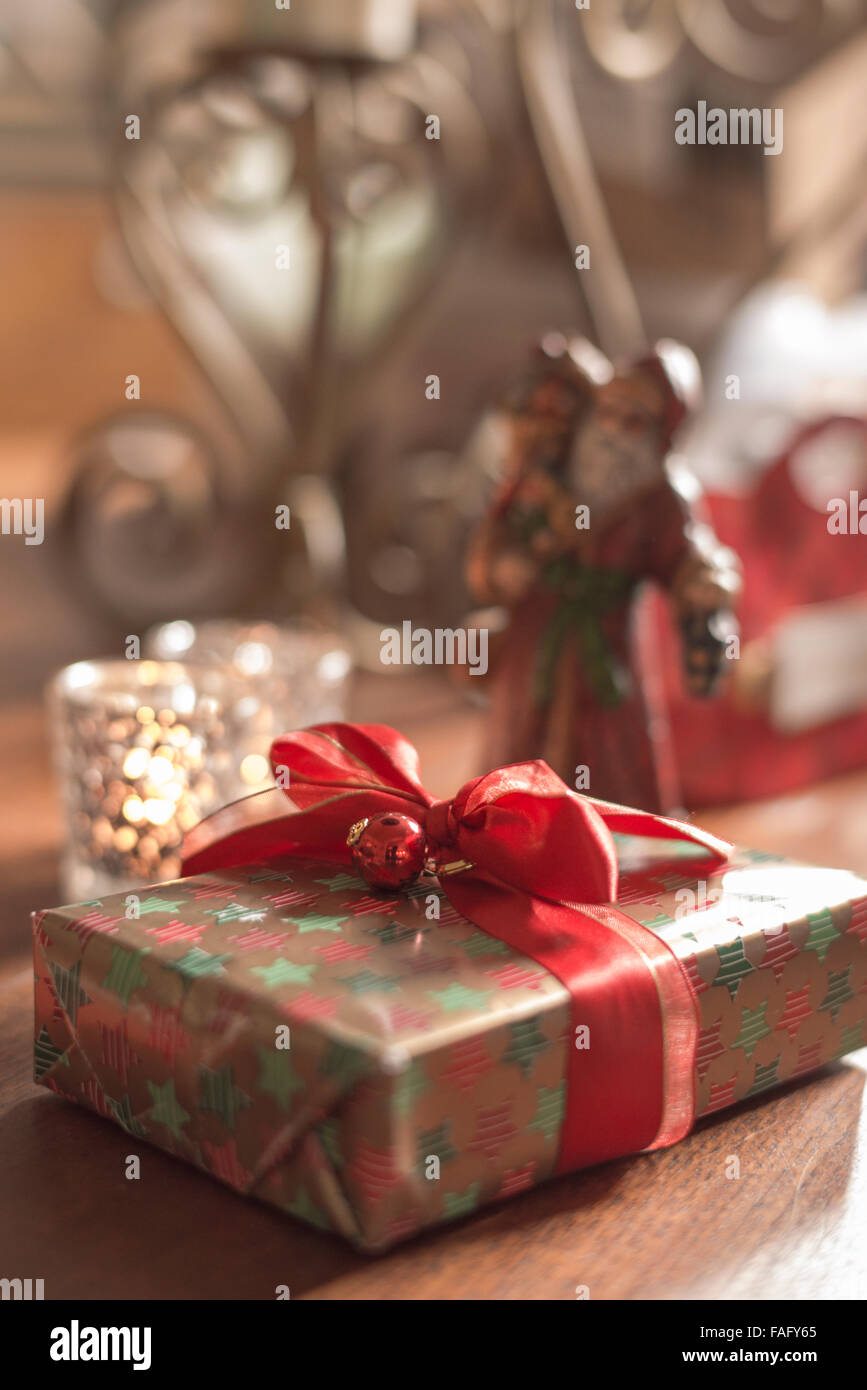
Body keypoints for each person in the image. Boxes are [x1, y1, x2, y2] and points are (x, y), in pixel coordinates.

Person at [465, 334, 741, 812]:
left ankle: (616, 835)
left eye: (633, 420)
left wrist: (704, 587)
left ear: (660, 434)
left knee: (611, 768)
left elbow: (689, 558)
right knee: (515, 753)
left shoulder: (661, 497)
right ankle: (503, 824)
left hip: (610, 651)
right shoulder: (545, 470)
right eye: (607, 410)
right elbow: (493, 542)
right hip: (533, 644)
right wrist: (502, 566)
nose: (612, 428)